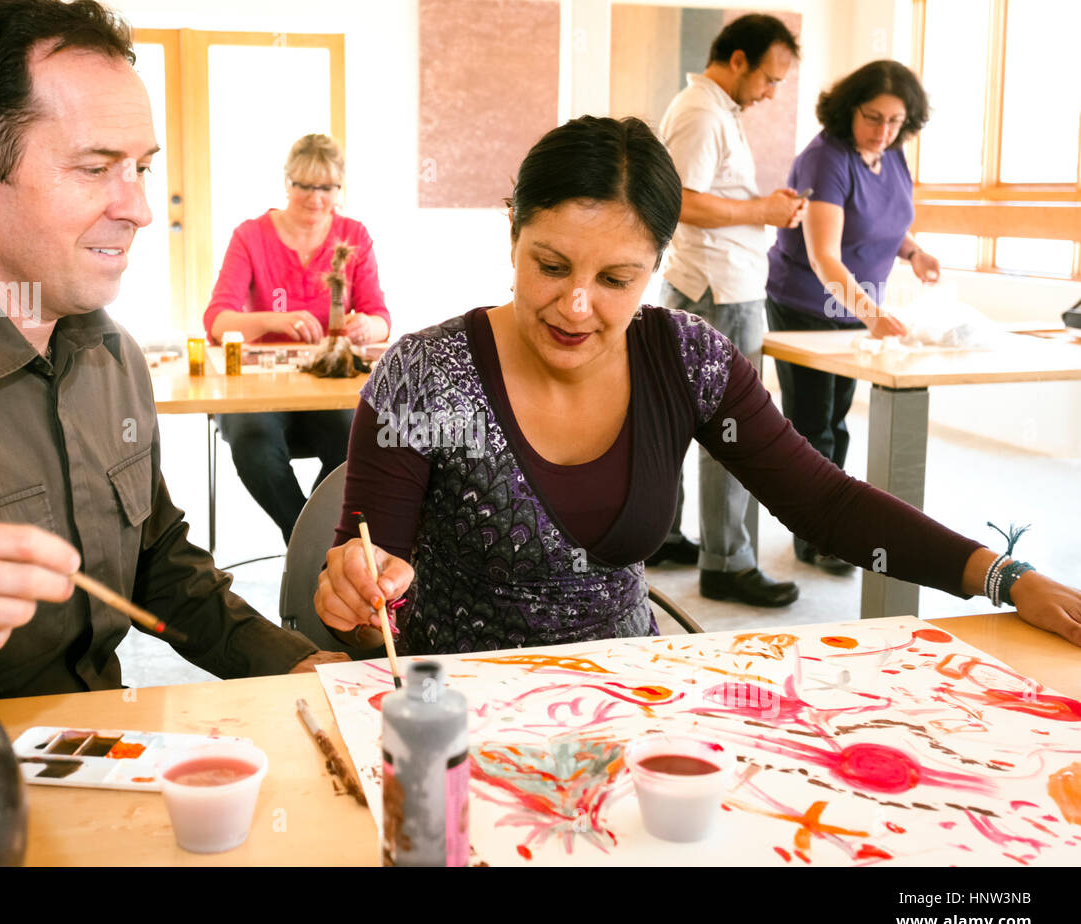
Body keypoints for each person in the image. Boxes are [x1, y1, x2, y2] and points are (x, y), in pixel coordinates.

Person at [313, 115, 1081, 655]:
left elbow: (823, 500)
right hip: (455, 714)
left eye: (617, 278)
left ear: (659, 264)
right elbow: (364, 591)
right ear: (511, 229)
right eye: (550, 266)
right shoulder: (425, 375)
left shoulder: (686, 360)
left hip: (629, 703)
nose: (576, 306)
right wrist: (351, 591)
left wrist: (1003, 576)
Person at [0, 0, 344, 700]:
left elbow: (159, 564)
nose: (138, 207)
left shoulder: (113, 352)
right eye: (94, 167)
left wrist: (294, 666)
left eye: (140, 167)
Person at [766, 60, 940, 571]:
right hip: (807, 303)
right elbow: (825, 255)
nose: (883, 131)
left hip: (856, 307)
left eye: (894, 121)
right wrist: (871, 313)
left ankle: (832, 524)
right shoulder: (826, 158)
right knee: (811, 427)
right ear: (849, 110)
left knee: (837, 422)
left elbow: (881, 219)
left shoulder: (891, 155)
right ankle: (814, 536)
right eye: (873, 118)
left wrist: (913, 253)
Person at [657, 13, 805, 607]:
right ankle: (727, 563)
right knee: (733, 429)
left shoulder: (717, 110)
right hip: (720, 292)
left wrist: (760, 206)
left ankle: (667, 535)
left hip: (711, 286)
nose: (772, 92)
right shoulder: (701, 112)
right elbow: (680, 201)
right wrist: (762, 212)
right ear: (738, 60)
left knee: (676, 420)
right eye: (769, 78)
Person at [204, 134, 390, 543]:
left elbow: (380, 317)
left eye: (326, 187)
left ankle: (310, 540)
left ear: (339, 188)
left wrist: (367, 328)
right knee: (254, 440)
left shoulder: (353, 236)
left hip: (324, 388)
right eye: (304, 185)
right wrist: (277, 319)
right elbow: (217, 322)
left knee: (358, 439)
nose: (315, 198)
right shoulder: (251, 236)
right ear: (286, 182)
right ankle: (308, 544)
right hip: (259, 391)